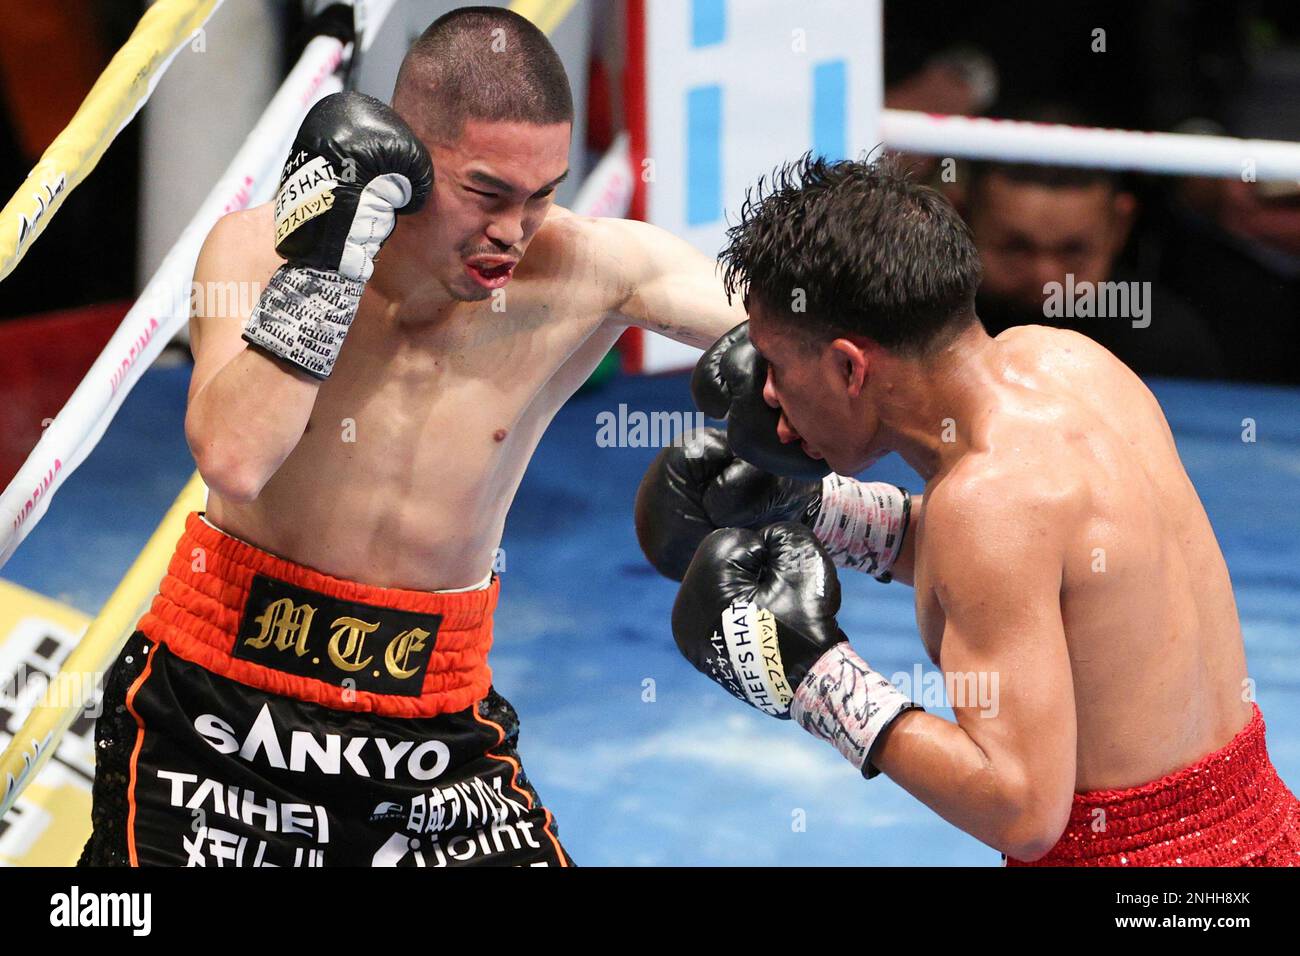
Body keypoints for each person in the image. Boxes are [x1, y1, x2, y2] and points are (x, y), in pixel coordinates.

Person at [79, 6, 742, 867]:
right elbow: (236, 458)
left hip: (434, 737)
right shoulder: (259, 250)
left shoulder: (584, 271)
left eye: (542, 194)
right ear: (407, 161)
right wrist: (326, 269)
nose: (515, 231)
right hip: (218, 717)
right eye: (487, 193)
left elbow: (793, 330)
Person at [637, 153, 1300, 865]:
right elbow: (1034, 564)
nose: (765, 392)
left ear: (850, 367)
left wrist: (813, 674)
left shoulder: (985, 509)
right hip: (1263, 831)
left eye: (776, 362)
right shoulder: (1063, 361)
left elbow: (1020, 811)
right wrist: (816, 509)